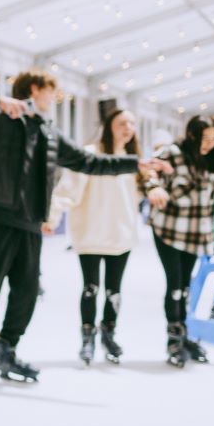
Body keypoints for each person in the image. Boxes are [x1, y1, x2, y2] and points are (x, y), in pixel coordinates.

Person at [0, 70, 169, 382]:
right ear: (35, 89)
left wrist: (134, 164)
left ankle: (8, 348)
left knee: (26, 291)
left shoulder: (47, 131)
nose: (54, 98)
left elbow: (87, 162)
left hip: (30, 222)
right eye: (52, 91)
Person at [42, 109, 148, 365]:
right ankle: (87, 337)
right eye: (123, 122)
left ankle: (109, 335)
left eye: (132, 123)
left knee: (114, 291)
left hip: (121, 236)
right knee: (90, 289)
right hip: (90, 233)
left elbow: (140, 194)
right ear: (109, 125)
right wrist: (52, 216)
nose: (128, 127)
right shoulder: (89, 154)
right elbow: (67, 190)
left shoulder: (134, 161)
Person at [145, 115, 214, 367]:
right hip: (169, 230)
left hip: (196, 233)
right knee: (175, 285)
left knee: (185, 286)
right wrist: (154, 187)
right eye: (205, 138)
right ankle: (174, 339)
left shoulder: (210, 160)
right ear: (192, 136)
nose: (209, 144)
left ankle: (184, 334)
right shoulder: (173, 153)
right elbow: (150, 171)